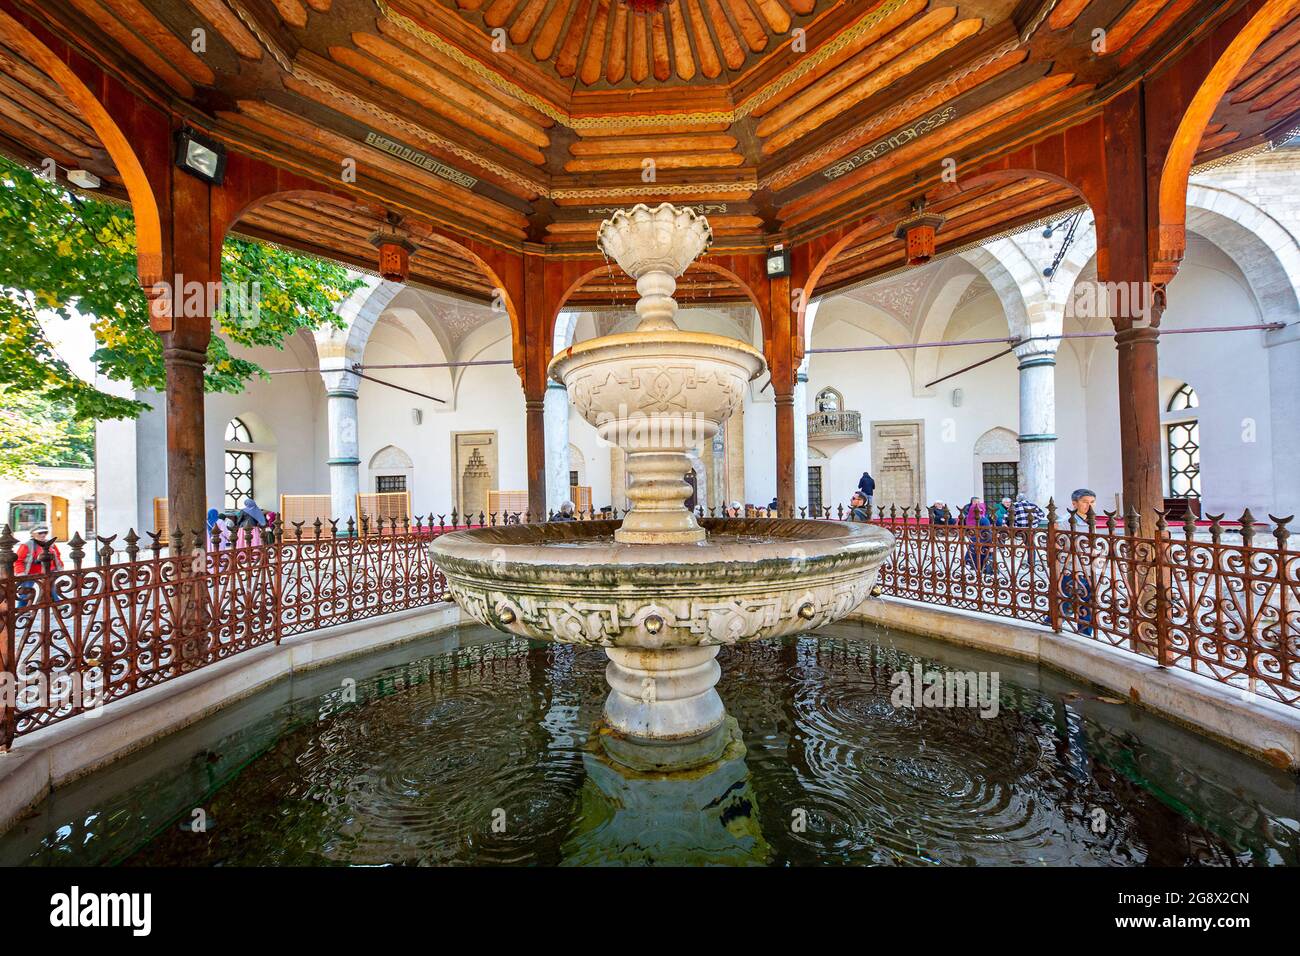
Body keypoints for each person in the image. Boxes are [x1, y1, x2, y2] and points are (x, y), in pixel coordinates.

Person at [1058, 488, 1097, 636]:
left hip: (1087, 569)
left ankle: (1085, 633)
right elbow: (1058, 549)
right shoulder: (1064, 522)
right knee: (1064, 601)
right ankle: (1051, 624)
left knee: (1087, 602)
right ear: (1074, 504)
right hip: (1070, 570)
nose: (1089, 505)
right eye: (1085, 502)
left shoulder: (1090, 520)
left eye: (1092, 502)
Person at [13, 525, 64, 608]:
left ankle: (58, 605)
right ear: (33, 534)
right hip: (30, 573)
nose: (43, 535)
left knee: (51, 588)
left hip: (47, 572)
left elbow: (57, 556)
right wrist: (20, 573)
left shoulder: (50, 544)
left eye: (45, 532)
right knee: (26, 591)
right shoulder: (27, 545)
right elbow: (18, 560)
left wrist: (59, 566)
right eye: (40, 533)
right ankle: (22, 609)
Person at [962, 500, 993, 574]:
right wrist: (991, 544)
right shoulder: (984, 520)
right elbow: (988, 533)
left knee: (973, 555)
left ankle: (972, 565)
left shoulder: (968, 519)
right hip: (983, 542)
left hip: (973, 541)